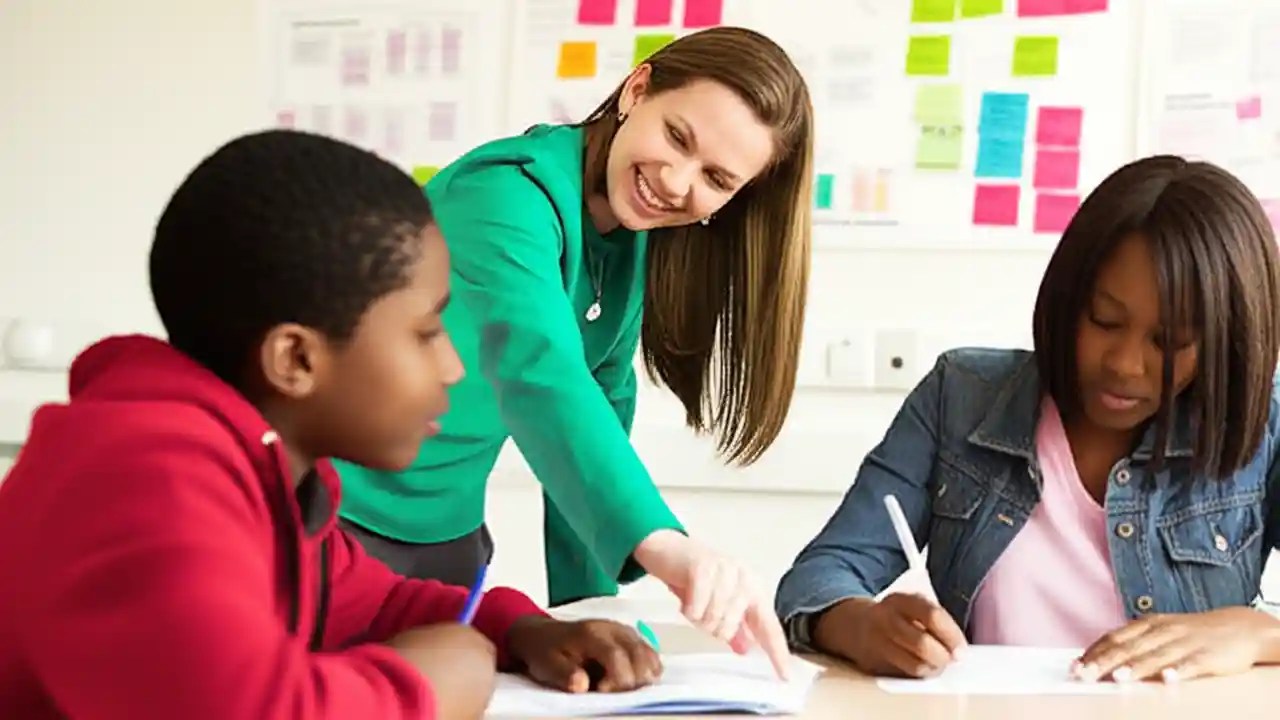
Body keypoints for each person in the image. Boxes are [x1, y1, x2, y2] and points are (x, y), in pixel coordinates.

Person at [0, 130, 663, 720]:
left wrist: (515, 628)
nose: (454, 367)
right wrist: (436, 684)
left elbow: (367, 604)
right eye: (427, 331)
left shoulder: (262, 473)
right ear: (295, 359)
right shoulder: (147, 480)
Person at [333, 25, 813, 673]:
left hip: (445, 538)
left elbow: (599, 412)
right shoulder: (501, 195)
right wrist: (665, 545)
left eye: (716, 178)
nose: (676, 182)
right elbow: (540, 371)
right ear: (636, 89)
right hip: (332, 518)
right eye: (677, 137)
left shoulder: (630, 242)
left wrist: (591, 606)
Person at [774, 155, 1280, 684]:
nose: (1125, 365)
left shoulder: (1261, 421)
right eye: (1105, 320)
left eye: (1170, 342)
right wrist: (862, 626)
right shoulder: (961, 397)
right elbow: (818, 578)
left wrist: (1254, 633)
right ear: (1068, 297)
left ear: (1226, 340)